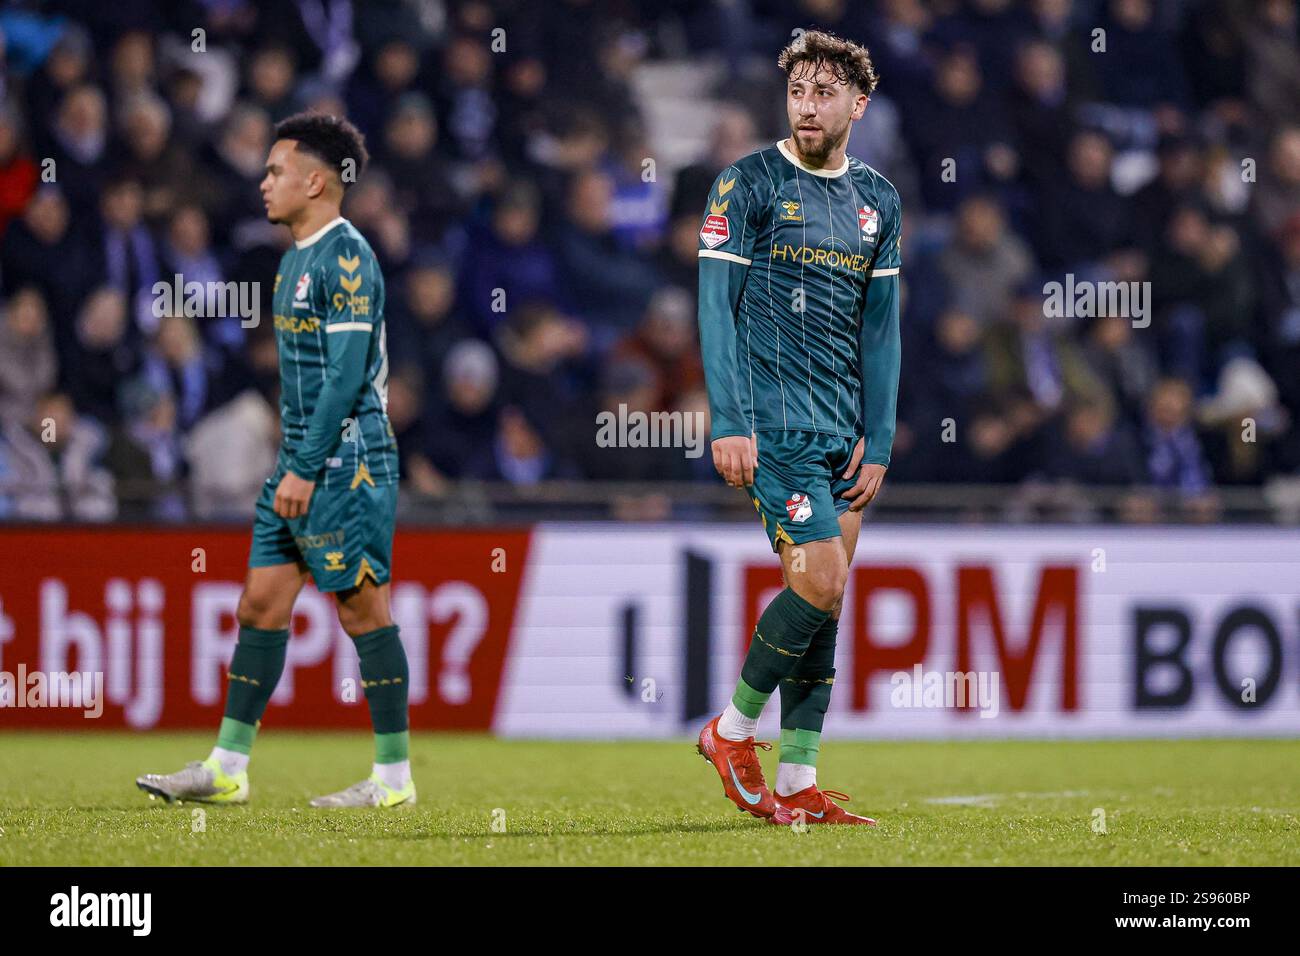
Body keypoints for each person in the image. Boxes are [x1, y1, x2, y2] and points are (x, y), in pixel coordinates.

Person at [136, 112, 412, 809]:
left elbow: (348, 377)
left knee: (361, 608)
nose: (263, 183)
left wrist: (305, 466)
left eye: (275, 171)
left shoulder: (348, 256)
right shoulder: (295, 259)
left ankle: (393, 780)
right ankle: (227, 768)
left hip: (345, 459)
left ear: (316, 181)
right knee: (259, 605)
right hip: (300, 455)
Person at [694, 30, 901, 827]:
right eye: (797, 93)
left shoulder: (879, 199)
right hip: (771, 425)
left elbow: (881, 329)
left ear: (858, 104)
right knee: (817, 580)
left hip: (841, 432)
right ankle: (732, 729)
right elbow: (714, 305)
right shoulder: (744, 184)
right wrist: (729, 419)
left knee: (828, 599)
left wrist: (877, 438)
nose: (807, 107)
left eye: (823, 94)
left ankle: (797, 783)